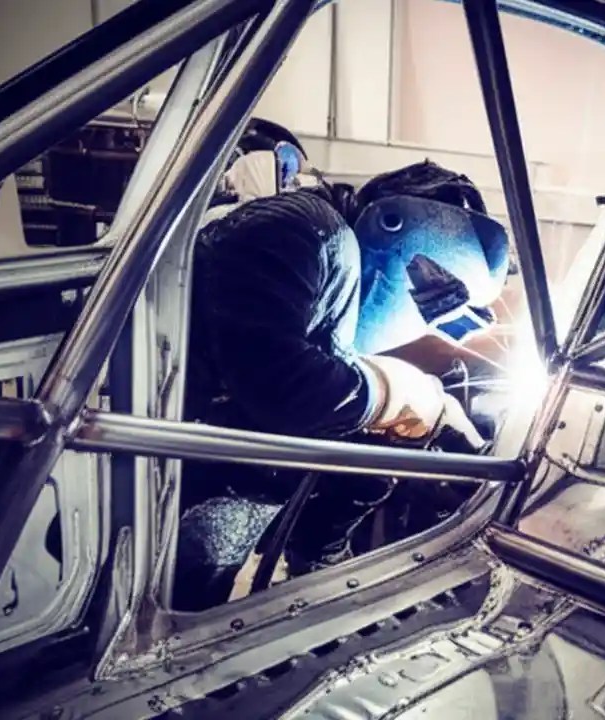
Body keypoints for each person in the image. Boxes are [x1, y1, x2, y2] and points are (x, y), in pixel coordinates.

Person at [174, 137, 509, 610]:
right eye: (430, 288)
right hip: (155, 493)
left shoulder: (332, 279)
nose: (421, 311)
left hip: (210, 499)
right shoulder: (301, 227)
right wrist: (402, 394)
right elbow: (280, 384)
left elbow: (320, 423)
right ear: (397, 228)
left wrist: (326, 545)